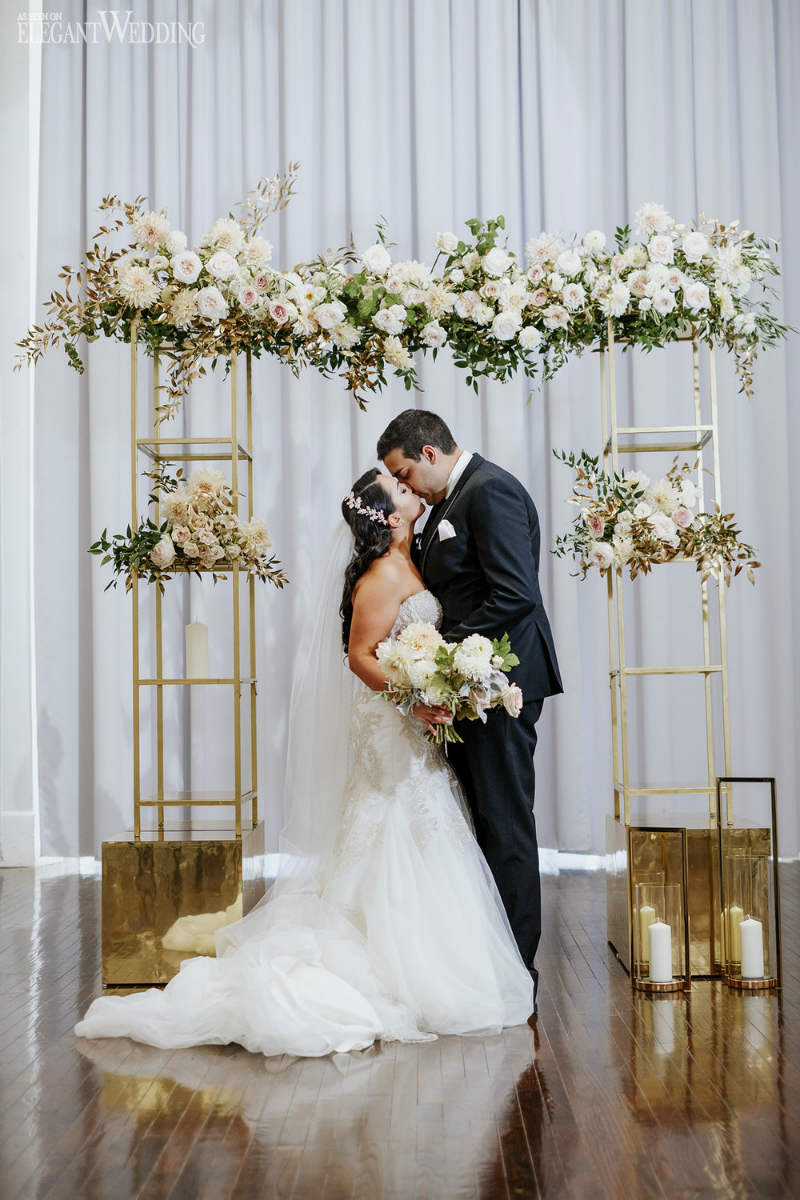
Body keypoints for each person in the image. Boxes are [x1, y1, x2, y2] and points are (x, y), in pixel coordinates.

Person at [74, 467, 534, 1057]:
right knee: (389, 819)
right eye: (399, 490)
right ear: (389, 517)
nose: (410, 491)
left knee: (426, 825)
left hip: (412, 724)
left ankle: (434, 956)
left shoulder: (411, 557)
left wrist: (434, 685)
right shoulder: (378, 576)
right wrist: (412, 695)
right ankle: (393, 968)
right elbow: (358, 656)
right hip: (392, 723)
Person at [378, 410, 563, 1012]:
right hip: (469, 690)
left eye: (405, 471)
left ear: (429, 453)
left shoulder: (492, 491)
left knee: (506, 824)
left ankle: (519, 973)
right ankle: (491, 965)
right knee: (480, 825)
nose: (406, 486)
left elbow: (516, 593)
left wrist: (444, 655)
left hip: (501, 685)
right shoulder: (445, 508)